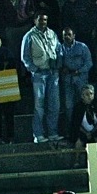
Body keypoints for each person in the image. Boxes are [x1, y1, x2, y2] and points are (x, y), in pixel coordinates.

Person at [21, 13, 61, 143]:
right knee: (39, 105)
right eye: (41, 19)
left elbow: (59, 49)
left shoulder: (52, 33)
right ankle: (38, 134)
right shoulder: (29, 36)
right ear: (35, 20)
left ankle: (53, 133)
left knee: (54, 105)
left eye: (45, 19)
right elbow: (25, 57)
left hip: (53, 73)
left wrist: (58, 64)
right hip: (39, 75)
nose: (43, 22)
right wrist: (34, 69)